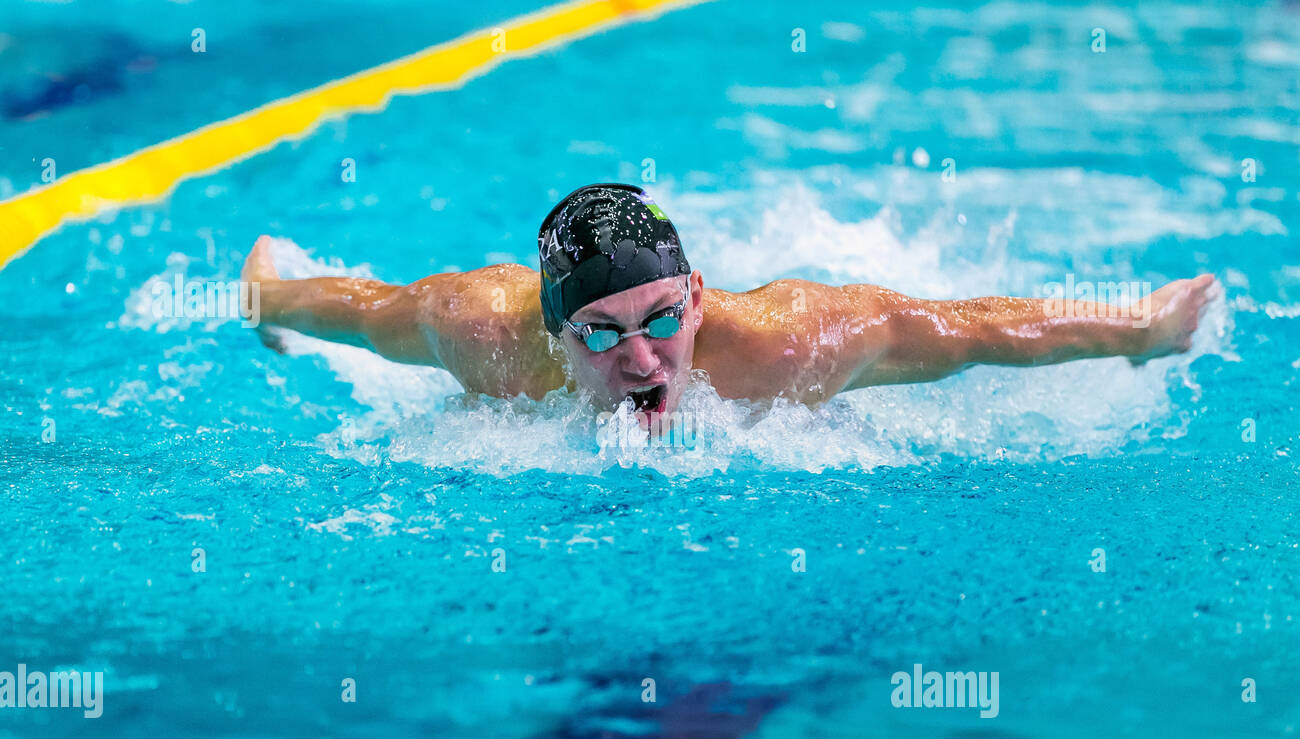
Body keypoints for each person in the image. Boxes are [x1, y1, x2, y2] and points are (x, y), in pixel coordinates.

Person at [240, 182, 1215, 418]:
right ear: (551, 329)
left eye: (665, 317)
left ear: (698, 297)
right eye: (603, 333)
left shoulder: (791, 347)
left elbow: (967, 331)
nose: (642, 358)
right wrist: (270, 298)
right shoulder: (478, 333)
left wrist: (1137, 329)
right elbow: (363, 309)